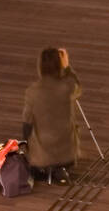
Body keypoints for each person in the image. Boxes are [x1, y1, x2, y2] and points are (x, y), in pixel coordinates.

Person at [22, 47, 81, 185]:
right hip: (68, 153)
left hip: (41, 155)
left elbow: (26, 124)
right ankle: (60, 168)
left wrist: (27, 147)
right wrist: (67, 67)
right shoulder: (67, 86)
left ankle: (42, 167)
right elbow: (77, 85)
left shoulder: (32, 92)